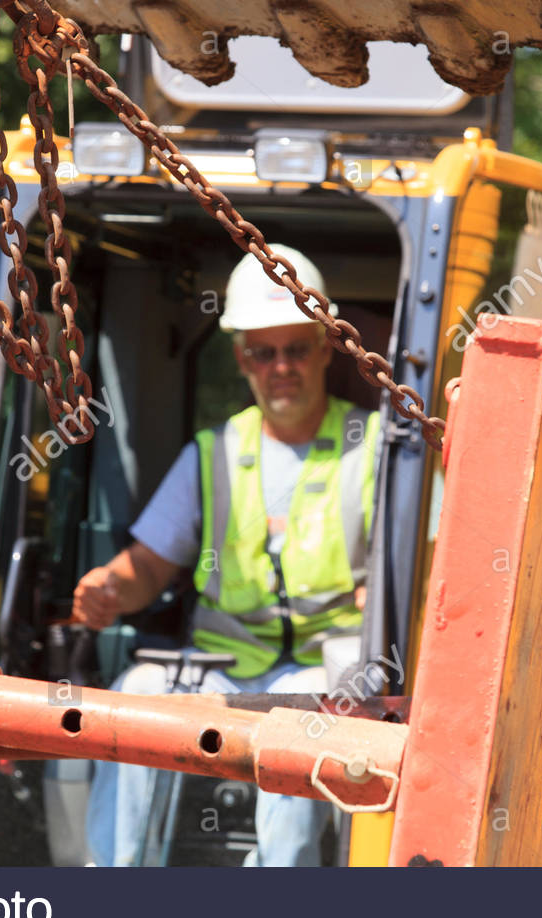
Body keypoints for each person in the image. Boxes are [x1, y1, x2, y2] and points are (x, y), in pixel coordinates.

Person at [72, 245, 380, 866]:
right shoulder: (213, 453)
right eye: (263, 352)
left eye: (296, 347)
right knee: (134, 695)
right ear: (241, 358)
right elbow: (149, 566)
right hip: (223, 664)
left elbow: (428, 572)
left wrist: (391, 601)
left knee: (300, 731)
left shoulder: (373, 445)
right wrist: (108, 588)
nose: (281, 367)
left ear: (325, 347)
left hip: (327, 669)